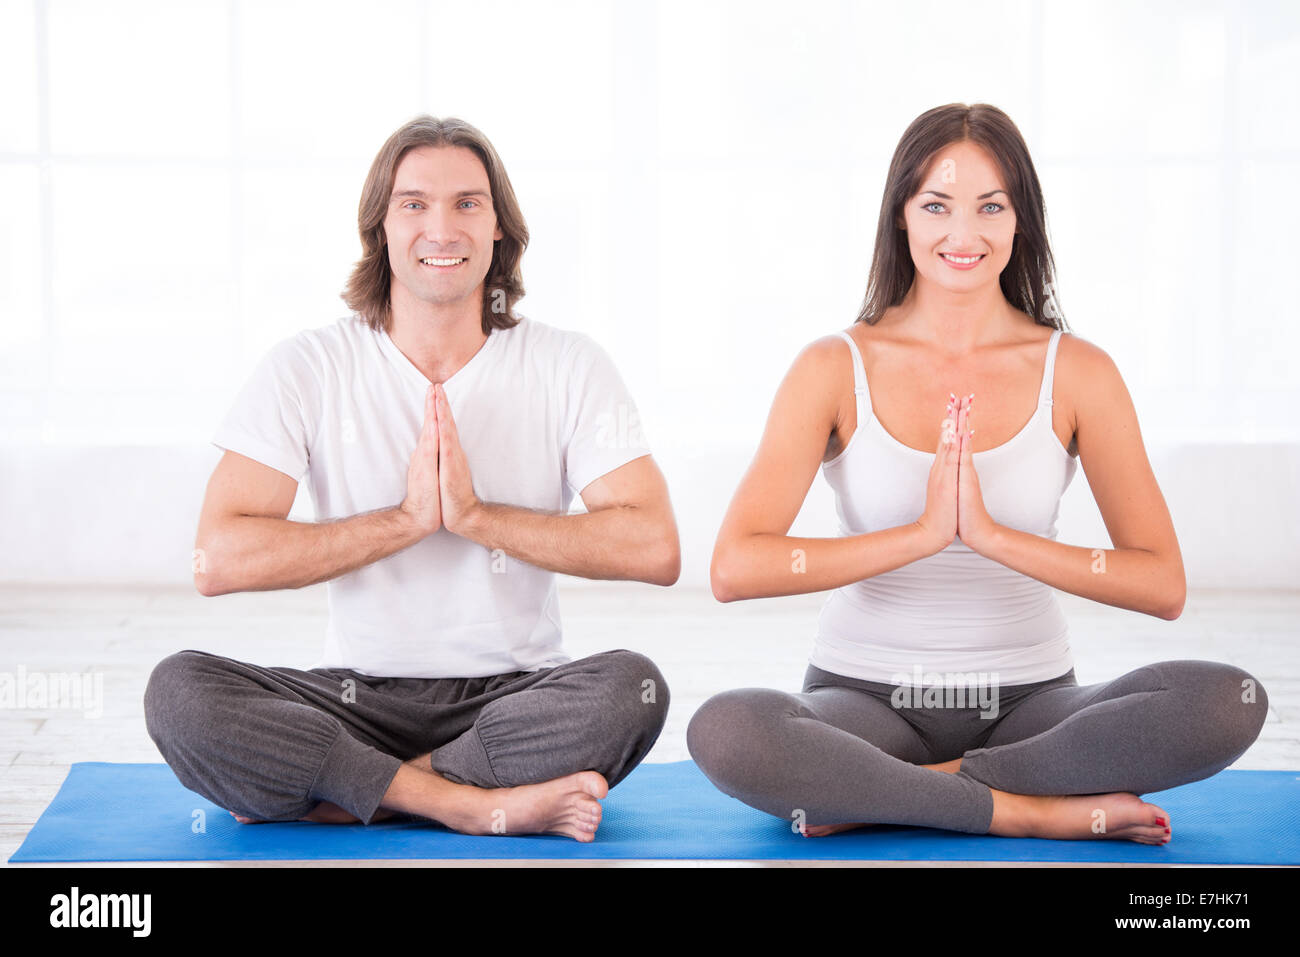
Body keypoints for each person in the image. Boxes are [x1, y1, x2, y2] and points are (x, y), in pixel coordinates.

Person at [688, 103, 1267, 844]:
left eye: (990, 206)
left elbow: (1162, 584)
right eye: (937, 205)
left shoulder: (1079, 372)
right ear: (901, 215)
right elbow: (736, 566)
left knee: (1228, 701)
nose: (964, 235)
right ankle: (1024, 808)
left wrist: (992, 536)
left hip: (1031, 710)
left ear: (1020, 217)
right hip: (865, 705)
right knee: (732, 729)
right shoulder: (833, 366)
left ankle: (895, 795)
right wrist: (923, 535)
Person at [144, 115, 679, 843]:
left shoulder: (567, 364)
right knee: (178, 693)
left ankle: (352, 790)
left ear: (499, 229)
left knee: (630, 689)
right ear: (381, 229)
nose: (442, 228)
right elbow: (218, 559)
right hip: (352, 696)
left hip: (512, 697)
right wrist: (403, 521)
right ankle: (461, 802)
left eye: (467, 203)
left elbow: (654, 547)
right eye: (415, 204)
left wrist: (476, 516)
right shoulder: (310, 365)